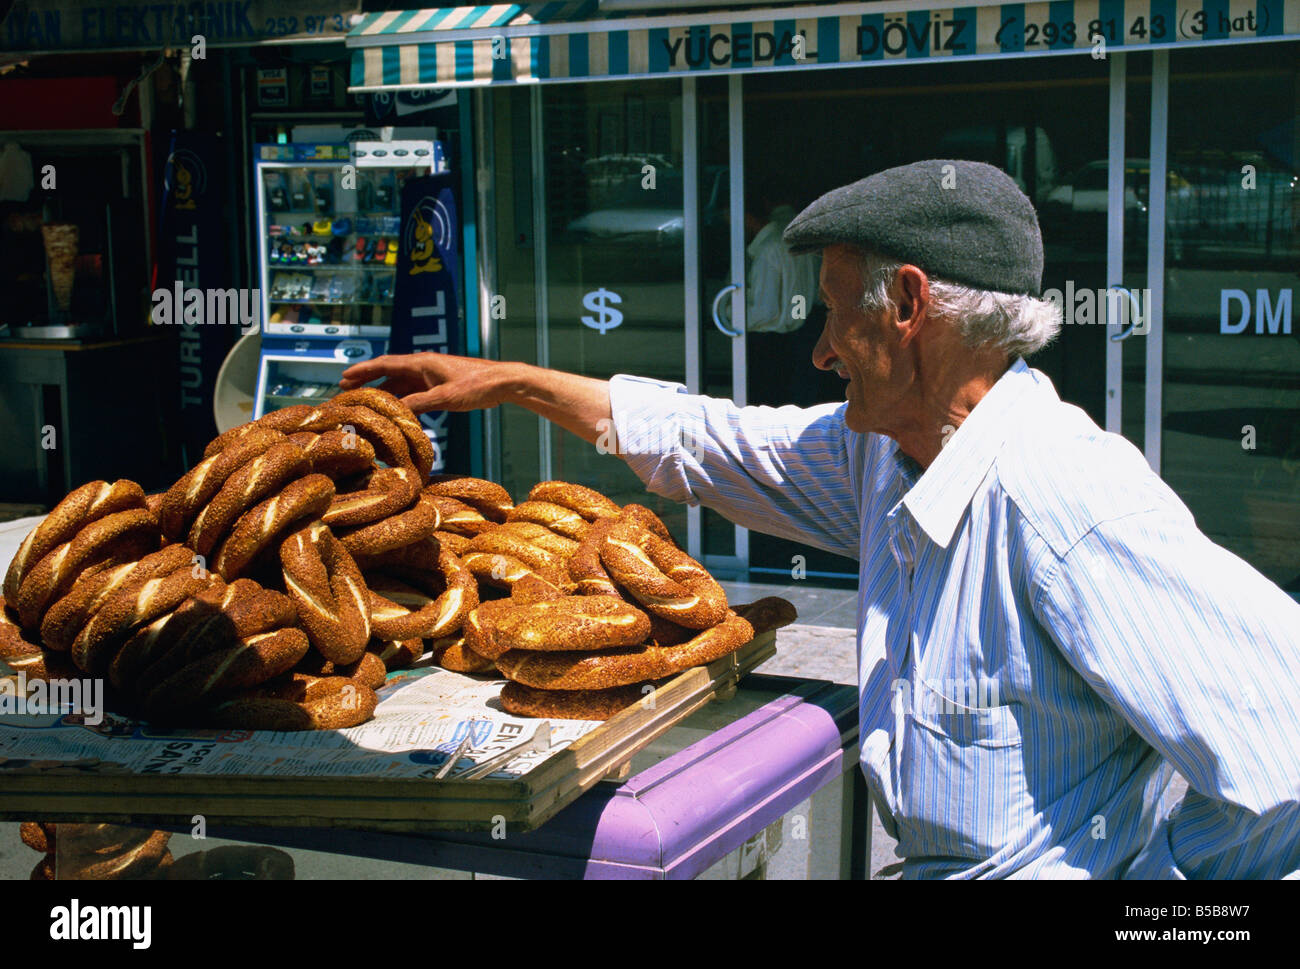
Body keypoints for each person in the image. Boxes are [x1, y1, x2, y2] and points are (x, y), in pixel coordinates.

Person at [341, 159, 1300, 879]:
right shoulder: (883, 453)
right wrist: (506, 381)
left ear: (911, 306)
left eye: (837, 314)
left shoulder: (1066, 504)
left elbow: (1287, 756)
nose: (822, 352)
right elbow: (712, 439)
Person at [743, 188, 822, 407]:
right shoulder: (802, 233)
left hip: (775, 340)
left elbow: (765, 311)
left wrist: (728, 315)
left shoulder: (769, 249)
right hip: (807, 325)